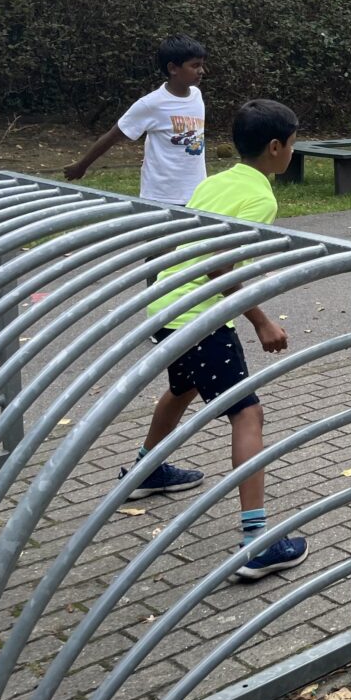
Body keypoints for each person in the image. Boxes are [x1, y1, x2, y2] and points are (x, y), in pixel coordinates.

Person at [123, 98, 309, 582]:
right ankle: (257, 543)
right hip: (202, 316)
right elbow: (219, 265)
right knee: (248, 413)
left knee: (182, 388)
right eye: (293, 143)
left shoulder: (216, 181)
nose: (293, 150)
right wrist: (261, 321)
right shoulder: (260, 197)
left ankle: (147, 472)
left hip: (168, 308)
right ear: (275, 147)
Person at [65, 36, 207, 205]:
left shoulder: (197, 96)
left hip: (197, 193)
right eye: (195, 65)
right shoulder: (151, 104)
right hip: (162, 196)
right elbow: (113, 135)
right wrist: (82, 165)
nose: (201, 71)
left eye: (202, 64)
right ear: (173, 68)